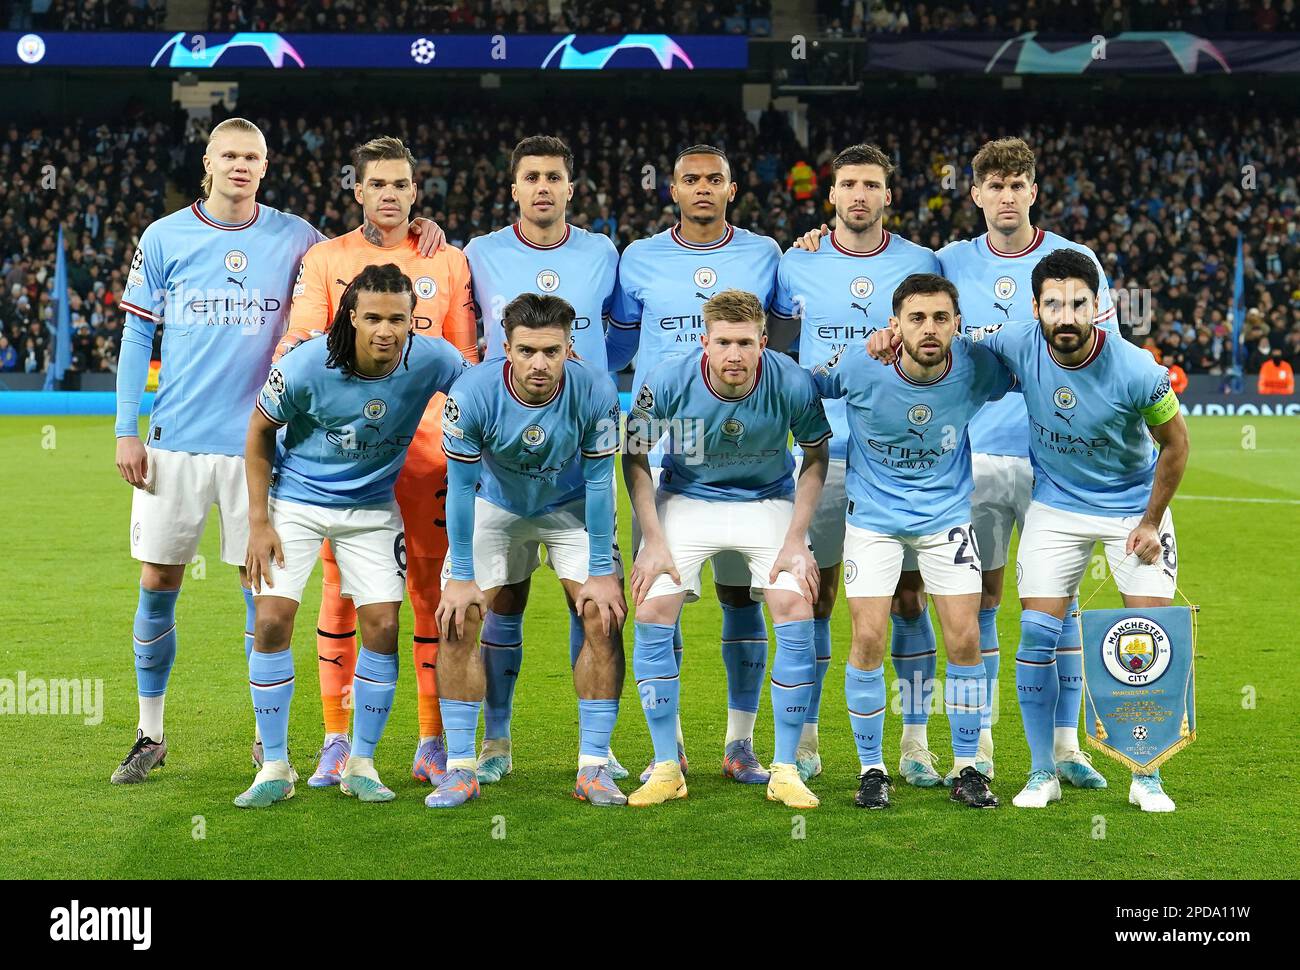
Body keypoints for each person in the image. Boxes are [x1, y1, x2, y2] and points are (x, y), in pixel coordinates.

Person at [868, 249, 1190, 812]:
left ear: (1099, 306)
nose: (1066, 316)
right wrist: (886, 337)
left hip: (1130, 510)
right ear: (1036, 308)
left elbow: (1177, 445)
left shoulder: (1138, 367)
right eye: (1053, 305)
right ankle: (1043, 771)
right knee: (1039, 634)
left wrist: (1151, 521)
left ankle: (1148, 774)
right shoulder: (1015, 341)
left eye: (1078, 304)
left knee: (1149, 635)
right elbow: (949, 342)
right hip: (1057, 506)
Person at [109, 118, 325, 785]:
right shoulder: (164, 235)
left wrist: (421, 232)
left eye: (251, 157)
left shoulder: (296, 237)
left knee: (260, 594)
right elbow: (136, 337)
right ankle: (150, 732)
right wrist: (126, 428)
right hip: (172, 445)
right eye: (229, 154)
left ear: (266, 166)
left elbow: (354, 262)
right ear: (208, 161)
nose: (240, 165)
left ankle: (269, 744)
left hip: (258, 447)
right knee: (157, 583)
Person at [277, 135, 474, 790]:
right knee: (341, 594)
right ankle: (336, 739)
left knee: (426, 596)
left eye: (401, 185)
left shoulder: (446, 261)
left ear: (416, 192)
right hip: (346, 461)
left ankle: (430, 738)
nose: (389, 195)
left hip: (426, 459)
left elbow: (464, 367)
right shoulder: (325, 258)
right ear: (356, 189)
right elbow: (303, 337)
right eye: (377, 184)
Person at [238, 263, 468, 807]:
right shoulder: (307, 364)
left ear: (415, 320)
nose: (385, 330)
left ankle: (360, 763)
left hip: (370, 508)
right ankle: (274, 767)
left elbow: (482, 388)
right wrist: (258, 522)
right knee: (272, 620)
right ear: (351, 316)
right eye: (372, 318)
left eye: (398, 318)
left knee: (384, 626)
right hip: (295, 501)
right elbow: (258, 432)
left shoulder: (433, 359)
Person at [612, 145, 783, 786]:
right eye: (691, 180)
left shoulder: (767, 254)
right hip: (662, 445)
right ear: (673, 190)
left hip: (744, 445)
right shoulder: (639, 258)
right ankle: (671, 748)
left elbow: (783, 331)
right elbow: (623, 339)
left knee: (743, 596)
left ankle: (740, 745)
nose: (703, 188)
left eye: (715, 179)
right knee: (663, 593)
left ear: (732, 189)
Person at [772, 143, 942, 783]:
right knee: (814, 599)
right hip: (822, 453)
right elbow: (781, 348)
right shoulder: (797, 263)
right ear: (832, 196)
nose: (860, 195)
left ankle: (915, 742)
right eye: (849, 185)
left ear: (888, 196)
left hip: (899, 458)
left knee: (907, 598)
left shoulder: (920, 263)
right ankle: (809, 739)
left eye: (872, 184)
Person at [812, 274, 1014, 810]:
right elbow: (802, 389)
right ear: (894, 324)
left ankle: (968, 766)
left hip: (946, 518)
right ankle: (872, 768)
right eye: (917, 318)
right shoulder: (860, 364)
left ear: (957, 324)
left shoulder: (977, 366)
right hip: (873, 520)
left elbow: (1037, 367)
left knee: (965, 640)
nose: (930, 329)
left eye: (941, 318)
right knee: (869, 639)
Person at [624, 289, 831, 808]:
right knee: (652, 602)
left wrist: (795, 540)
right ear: (705, 342)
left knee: (794, 602)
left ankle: (781, 767)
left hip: (768, 499)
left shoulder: (791, 379)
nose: (734, 354)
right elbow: (634, 455)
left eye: (744, 342)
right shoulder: (668, 379)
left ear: (763, 342)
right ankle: (666, 765)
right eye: (723, 343)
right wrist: (651, 541)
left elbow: (815, 455)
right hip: (688, 495)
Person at [462, 134, 627, 784]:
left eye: (554, 176)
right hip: (502, 464)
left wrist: (586, 386)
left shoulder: (601, 252)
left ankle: (598, 749)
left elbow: (621, 332)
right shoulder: (479, 253)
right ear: (514, 188)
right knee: (503, 603)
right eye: (531, 176)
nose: (542, 187)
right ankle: (496, 741)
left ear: (570, 186)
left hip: (575, 462)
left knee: (593, 607)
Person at [431, 293, 627, 809]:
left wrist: (603, 571)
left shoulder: (597, 389)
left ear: (569, 349)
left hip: (570, 505)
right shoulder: (471, 392)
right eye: (526, 351)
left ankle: (594, 766)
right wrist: (463, 575)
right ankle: (461, 767)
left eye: (551, 351)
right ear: (506, 348)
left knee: (602, 613)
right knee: (459, 615)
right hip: (496, 506)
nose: (539, 364)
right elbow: (458, 488)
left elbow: (603, 484)